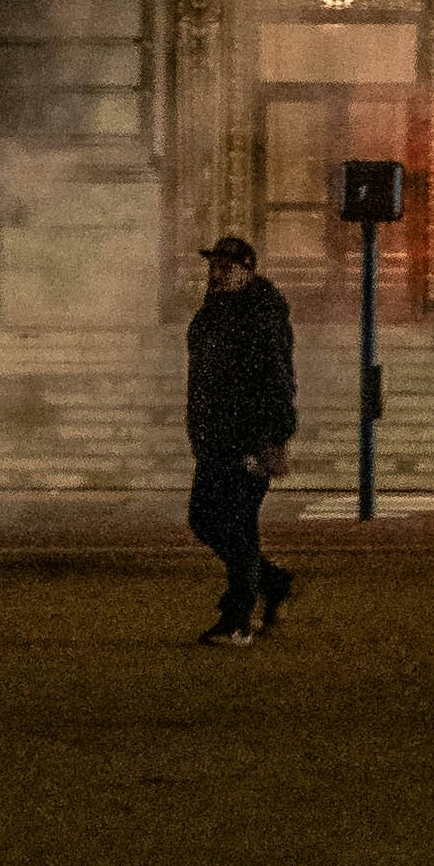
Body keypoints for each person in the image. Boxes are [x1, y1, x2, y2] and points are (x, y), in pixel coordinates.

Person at [180, 230, 297, 645]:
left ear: (247, 272)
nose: (216, 272)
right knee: (205, 519)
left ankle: (237, 618)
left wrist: (273, 439)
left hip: (247, 437)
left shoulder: (261, 315)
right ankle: (272, 582)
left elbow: (278, 379)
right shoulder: (215, 311)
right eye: (214, 265)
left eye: (225, 266)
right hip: (216, 438)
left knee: (237, 525)